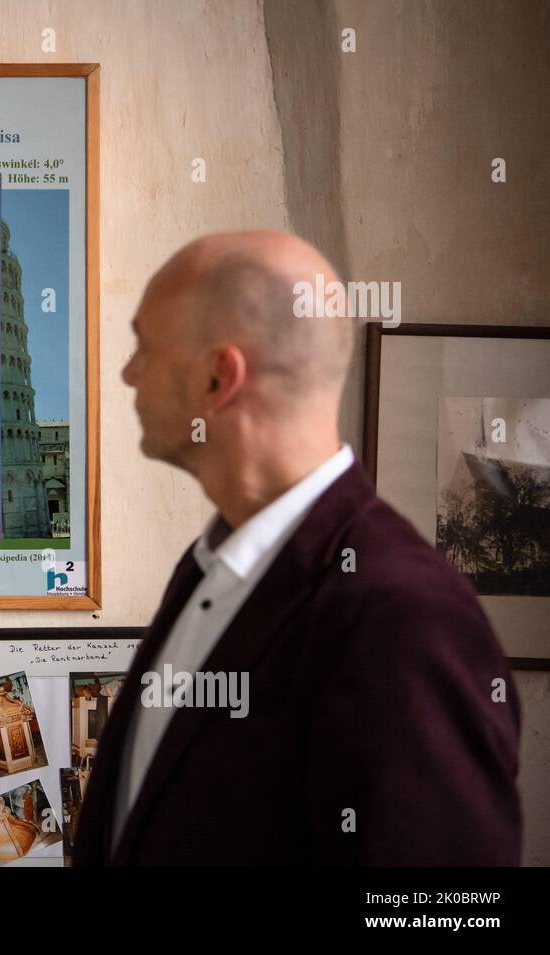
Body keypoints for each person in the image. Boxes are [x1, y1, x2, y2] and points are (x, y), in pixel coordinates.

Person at [73, 231, 521, 864]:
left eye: (145, 346)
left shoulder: (402, 617)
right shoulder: (212, 570)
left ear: (218, 377)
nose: (127, 372)